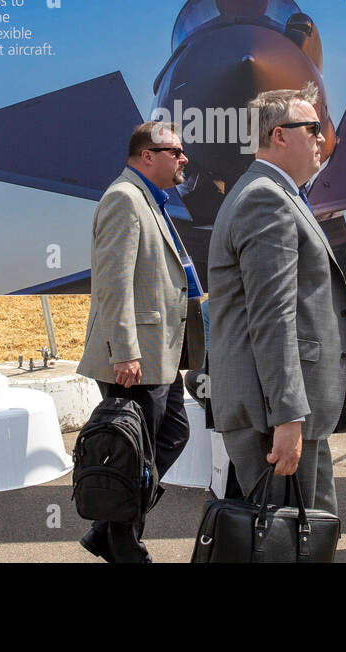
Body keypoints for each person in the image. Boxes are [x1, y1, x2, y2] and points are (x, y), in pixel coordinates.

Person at [207, 83, 346, 517]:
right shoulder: (264, 199)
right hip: (276, 413)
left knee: (293, 535)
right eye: (312, 129)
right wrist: (288, 418)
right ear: (279, 135)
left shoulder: (276, 193)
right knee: (288, 540)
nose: (322, 139)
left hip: (280, 409)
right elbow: (274, 318)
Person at [75, 120, 198, 562]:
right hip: (136, 358)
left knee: (174, 435)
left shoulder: (150, 199)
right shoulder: (125, 199)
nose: (184, 159)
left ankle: (107, 531)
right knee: (133, 455)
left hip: (160, 353)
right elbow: (112, 285)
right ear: (147, 155)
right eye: (175, 151)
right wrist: (124, 352)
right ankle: (125, 548)